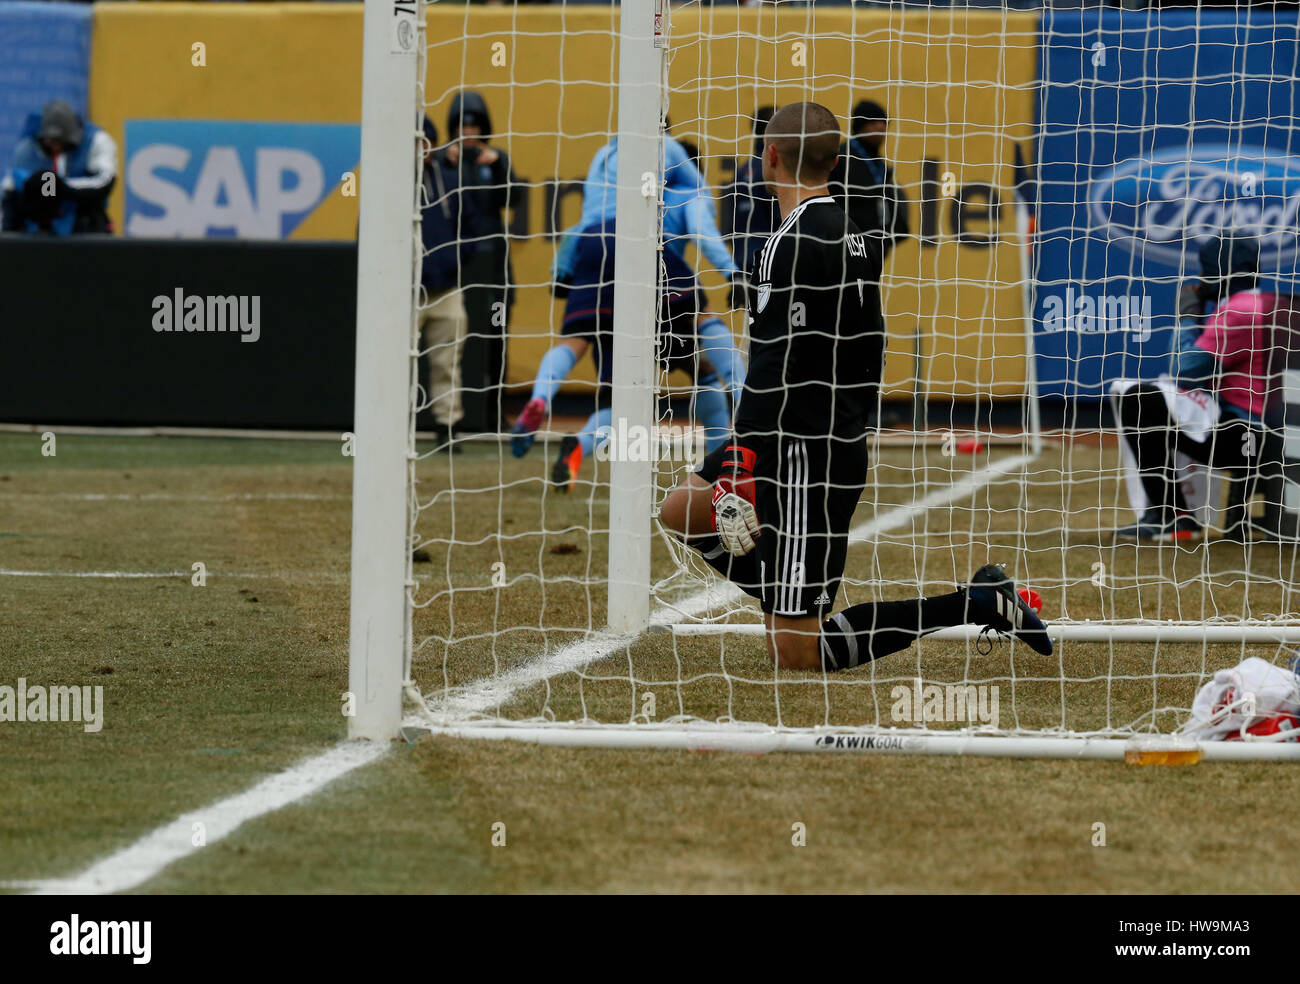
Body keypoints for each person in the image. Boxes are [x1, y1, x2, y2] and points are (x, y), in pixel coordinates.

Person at [658, 102, 1052, 671]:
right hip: (813, 430)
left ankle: (977, 601)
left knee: (796, 654)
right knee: (680, 511)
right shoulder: (857, 233)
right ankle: (784, 586)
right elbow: (871, 345)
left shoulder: (782, 242)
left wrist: (743, 454)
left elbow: (772, 363)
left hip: (798, 451)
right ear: (838, 161)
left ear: (768, 158)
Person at [1112, 233, 1274, 543]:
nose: (1201, 277)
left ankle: (1169, 515)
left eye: (1206, 268)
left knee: (1139, 398)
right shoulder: (1254, 304)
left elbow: (1183, 370)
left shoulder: (1240, 310)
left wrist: (1187, 314)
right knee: (1153, 398)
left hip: (1246, 439)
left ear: (1220, 270)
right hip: (1254, 431)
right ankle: (1175, 514)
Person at [443, 90, 519, 434]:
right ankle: (456, 413)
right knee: (455, 336)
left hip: (495, 269)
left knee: (496, 336)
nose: (468, 133)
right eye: (462, 127)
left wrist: (498, 165)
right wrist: (447, 162)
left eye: (474, 127)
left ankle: (495, 410)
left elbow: (514, 197)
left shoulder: (496, 159)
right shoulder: (444, 161)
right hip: (460, 266)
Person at [419, 117, 475, 454]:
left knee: (448, 361)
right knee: (395, 361)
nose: (420, 149)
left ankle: (448, 426)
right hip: (403, 290)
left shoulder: (449, 182)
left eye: (425, 142)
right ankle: (391, 423)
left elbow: (471, 227)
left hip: (446, 287)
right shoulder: (388, 184)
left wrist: (453, 261)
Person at [1, 100, 116, 235]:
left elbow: (104, 181)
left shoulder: (97, 140)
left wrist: (61, 188)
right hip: (36, 230)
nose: (56, 148)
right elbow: (11, 191)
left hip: (83, 225)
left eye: (60, 142)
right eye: (51, 142)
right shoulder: (28, 146)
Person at [826, 99, 909, 259]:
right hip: (849, 246)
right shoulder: (841, 158)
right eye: (874, 121)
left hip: (877, 244)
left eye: (884, 122)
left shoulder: (878, 162)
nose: (881, 127)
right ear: (860, 126)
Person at [720, 105, 779, 287]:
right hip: (770, 262)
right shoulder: (773, 171)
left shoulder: (741, 171)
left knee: (752, 314)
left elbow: (727, 224)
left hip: (743, 262)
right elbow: (783, 219)